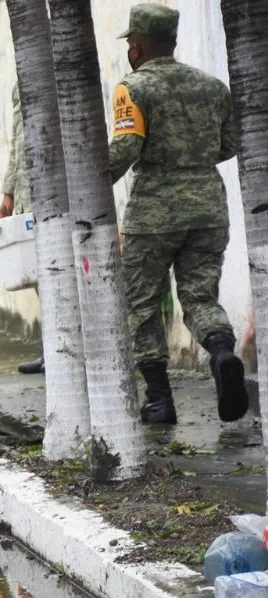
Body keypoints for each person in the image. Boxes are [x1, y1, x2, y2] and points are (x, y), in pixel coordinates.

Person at [110, 4, 246, 425]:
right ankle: (222, 351)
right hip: (208, 206)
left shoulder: (132, 87)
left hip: (153, 212)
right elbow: (230, 143)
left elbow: (126, 149)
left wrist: (87, 182)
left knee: (143, 303)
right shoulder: (212, 86)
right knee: (200, 297)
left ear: (138, 45)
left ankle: (160, 399)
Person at [0, 86, 44, 375]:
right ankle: (53, 351)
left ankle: (65, 353)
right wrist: (9, 190)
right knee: (44, 280)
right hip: (28, 192)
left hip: (49, 191)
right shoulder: (22, 80)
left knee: (59, 277)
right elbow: (18, 141)